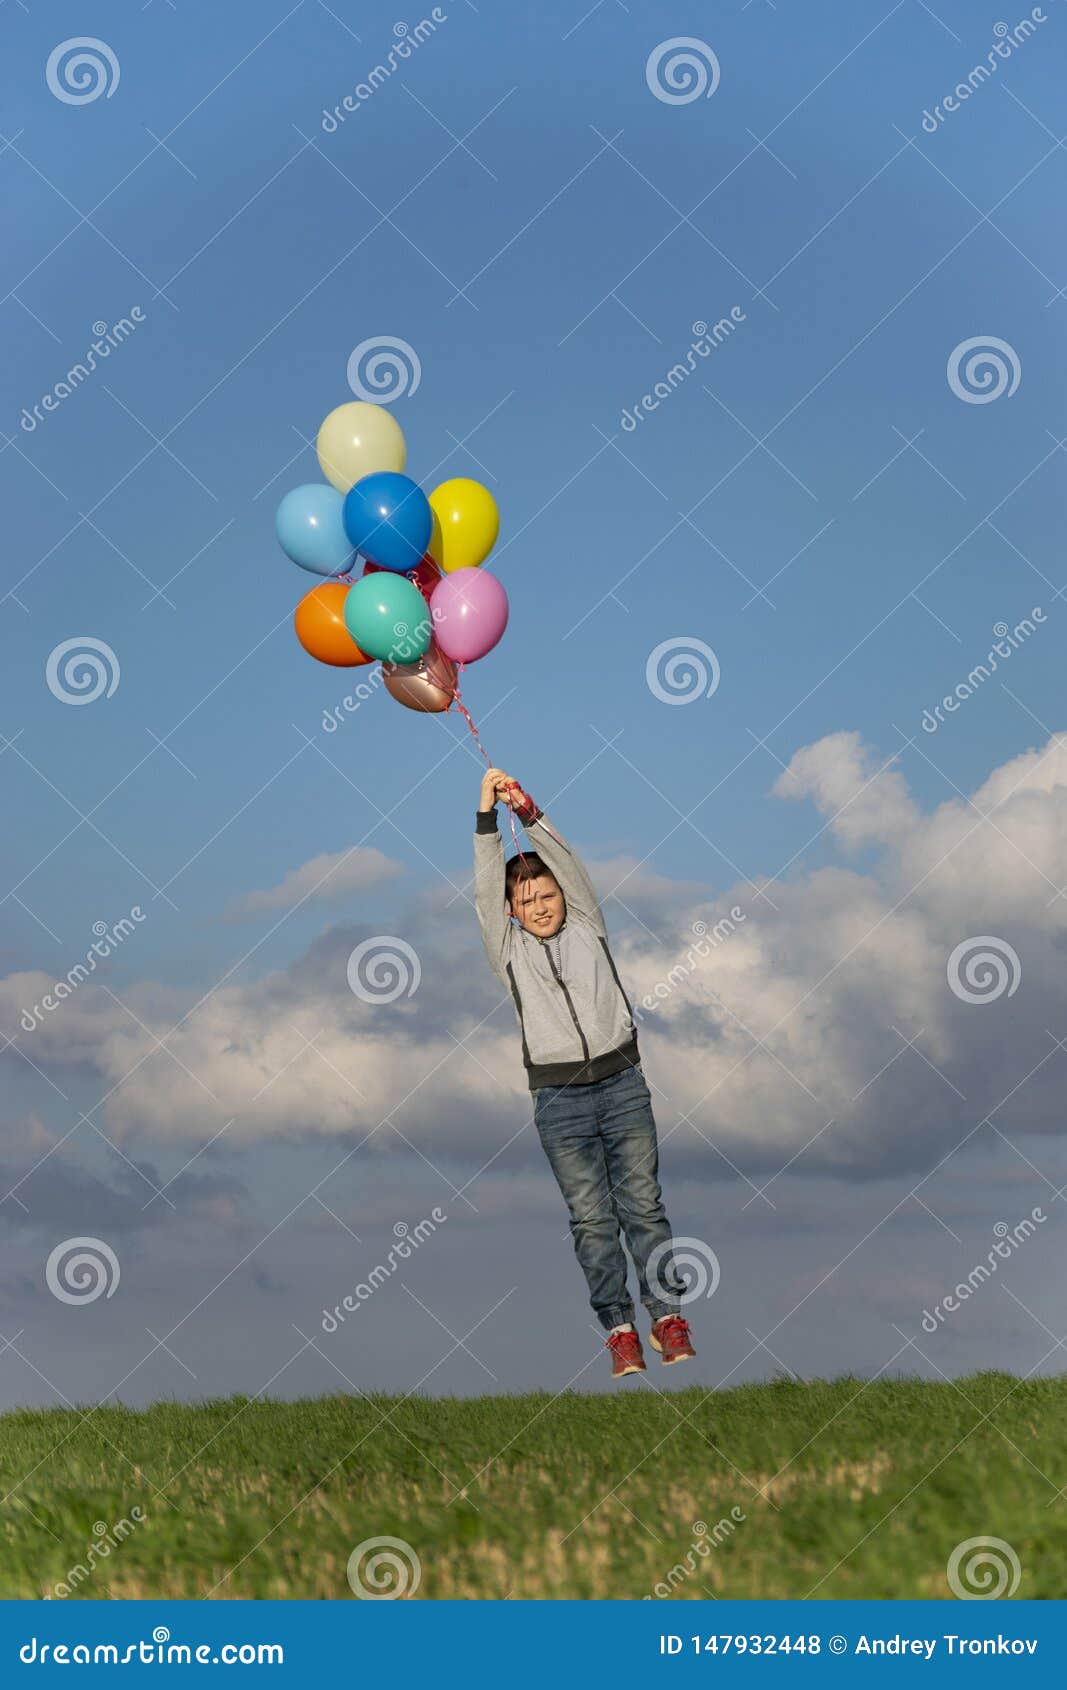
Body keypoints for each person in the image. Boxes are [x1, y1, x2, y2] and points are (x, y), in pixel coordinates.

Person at [473, 766, 696, 1379]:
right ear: (511, 913)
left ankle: (668, 1317)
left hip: (623, 1088)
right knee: (593, 1220)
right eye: (527, 902)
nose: (541, 906)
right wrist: (486, 815)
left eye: (548, 896)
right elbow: (486, 887)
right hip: (560, 1102)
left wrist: (527, 810)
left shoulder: (589, 924)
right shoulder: (507, 951)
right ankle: (620, 1330)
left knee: (643, 1208)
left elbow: (566, 861)